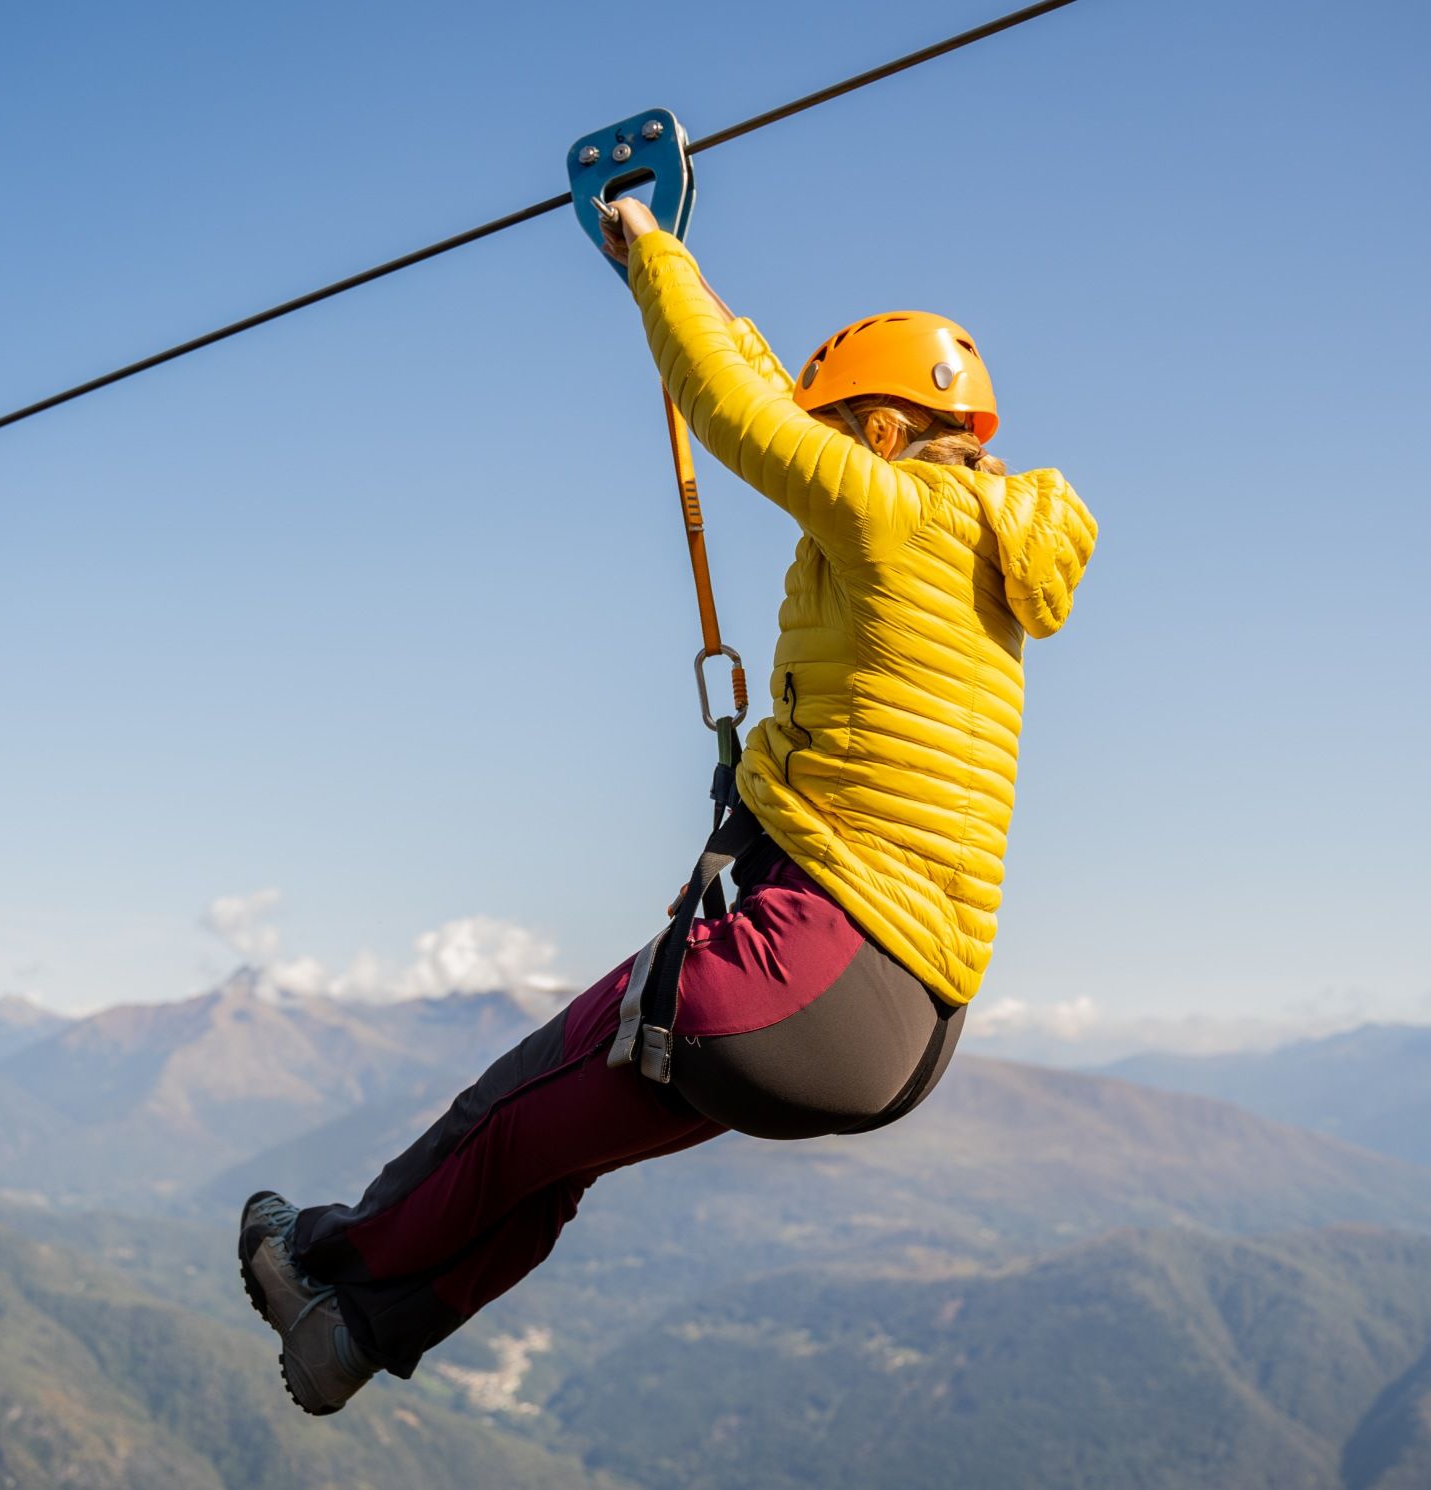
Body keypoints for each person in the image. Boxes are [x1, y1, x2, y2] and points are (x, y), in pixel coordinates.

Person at [238, 194, 1098, 1416]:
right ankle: (356, 1335)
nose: (831, 464)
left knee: (516, 1100)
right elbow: (756, 385)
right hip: (896, 1023)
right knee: (553, 1143)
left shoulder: (896, 514)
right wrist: (700, 294)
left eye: (846, 437)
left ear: (893, 430)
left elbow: (734, 413)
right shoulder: (978, 560)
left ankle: (316, 1262)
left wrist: (653, 252)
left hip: (812, 969)